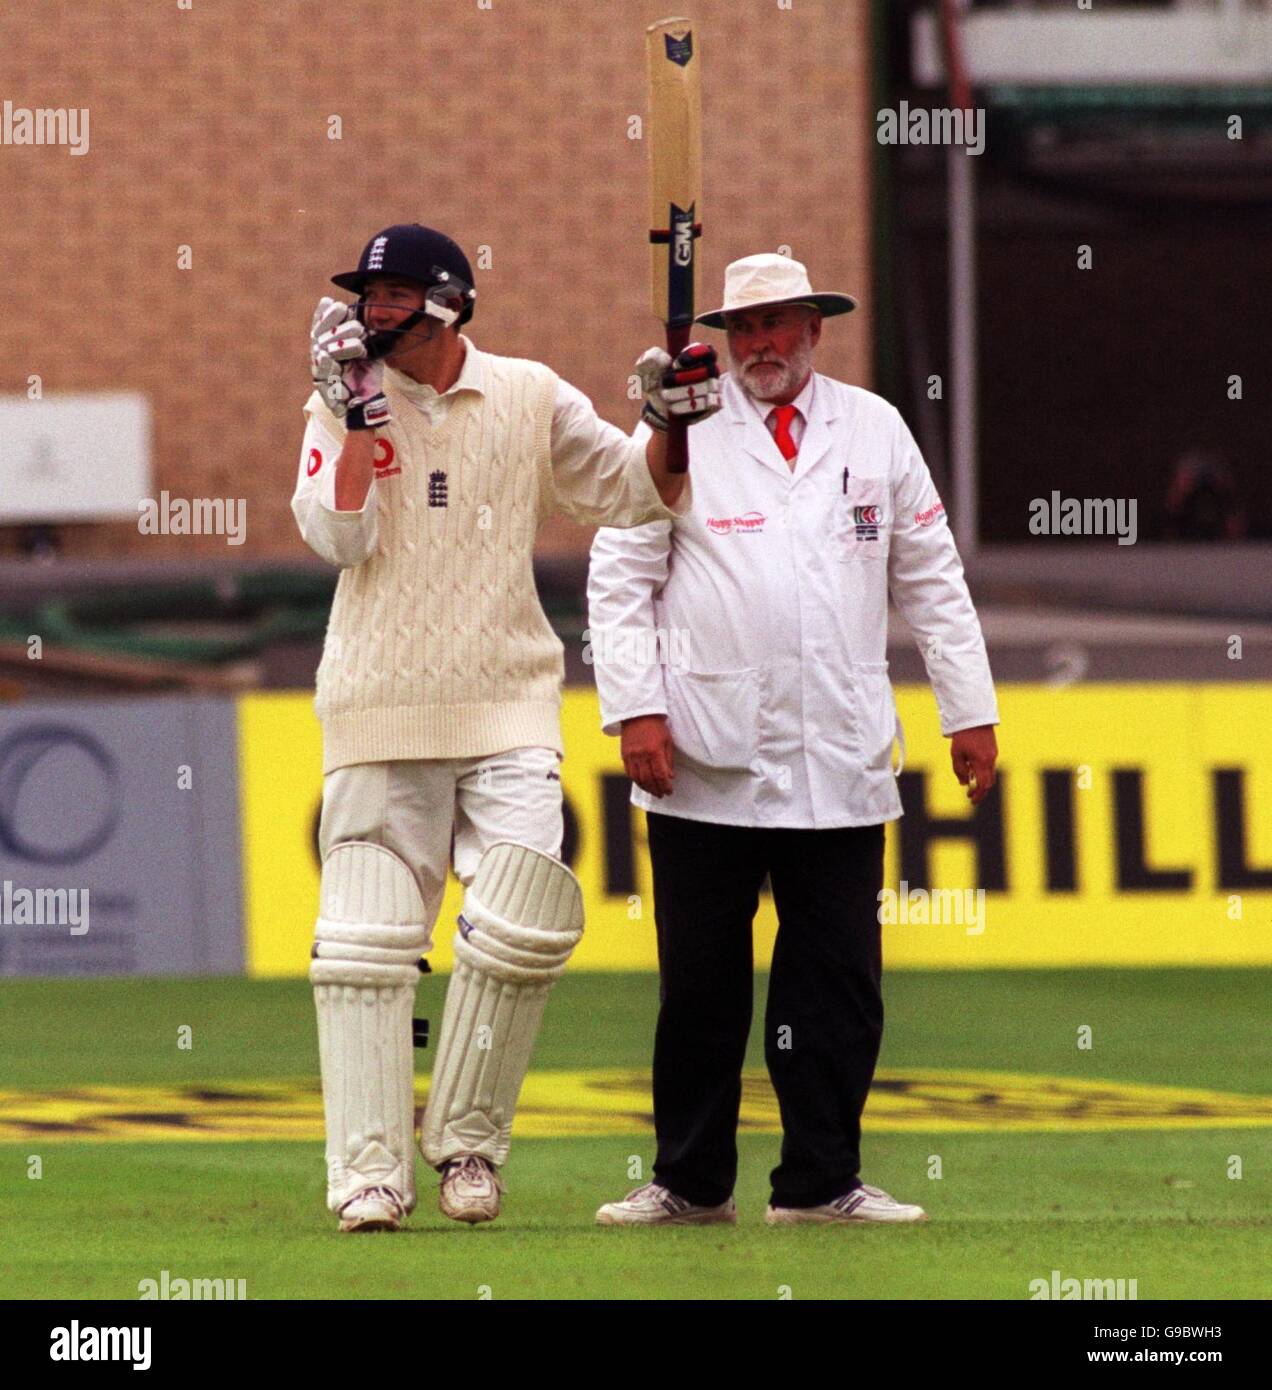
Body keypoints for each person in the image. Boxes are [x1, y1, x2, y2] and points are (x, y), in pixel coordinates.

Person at [291, 222, 718, 1232]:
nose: (370, 312)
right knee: (363, 946)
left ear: (448, 301)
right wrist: (355, 420)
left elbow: (635, 493)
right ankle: (368, 1175)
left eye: (393, 296)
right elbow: (337, 537)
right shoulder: (338, 398)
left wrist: (675, 420)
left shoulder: (527, 392)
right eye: (367, 295)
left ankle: (470, 1147)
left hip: (508, 700)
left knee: (522, 920)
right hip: (375, 702)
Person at [587, 253, 1000, 1226]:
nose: (764, 345)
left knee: (839, 989)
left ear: (816, 327)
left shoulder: (876, 427)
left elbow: (932, 577)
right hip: (702, 755)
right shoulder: (679, 429)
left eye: (781, 325)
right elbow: (619, 576)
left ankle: (821, 1183)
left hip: (841, 756)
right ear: (726, 338)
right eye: (747, 329)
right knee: (699, 988)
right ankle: (689, 1183)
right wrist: (634, 707)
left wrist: (968, 709)